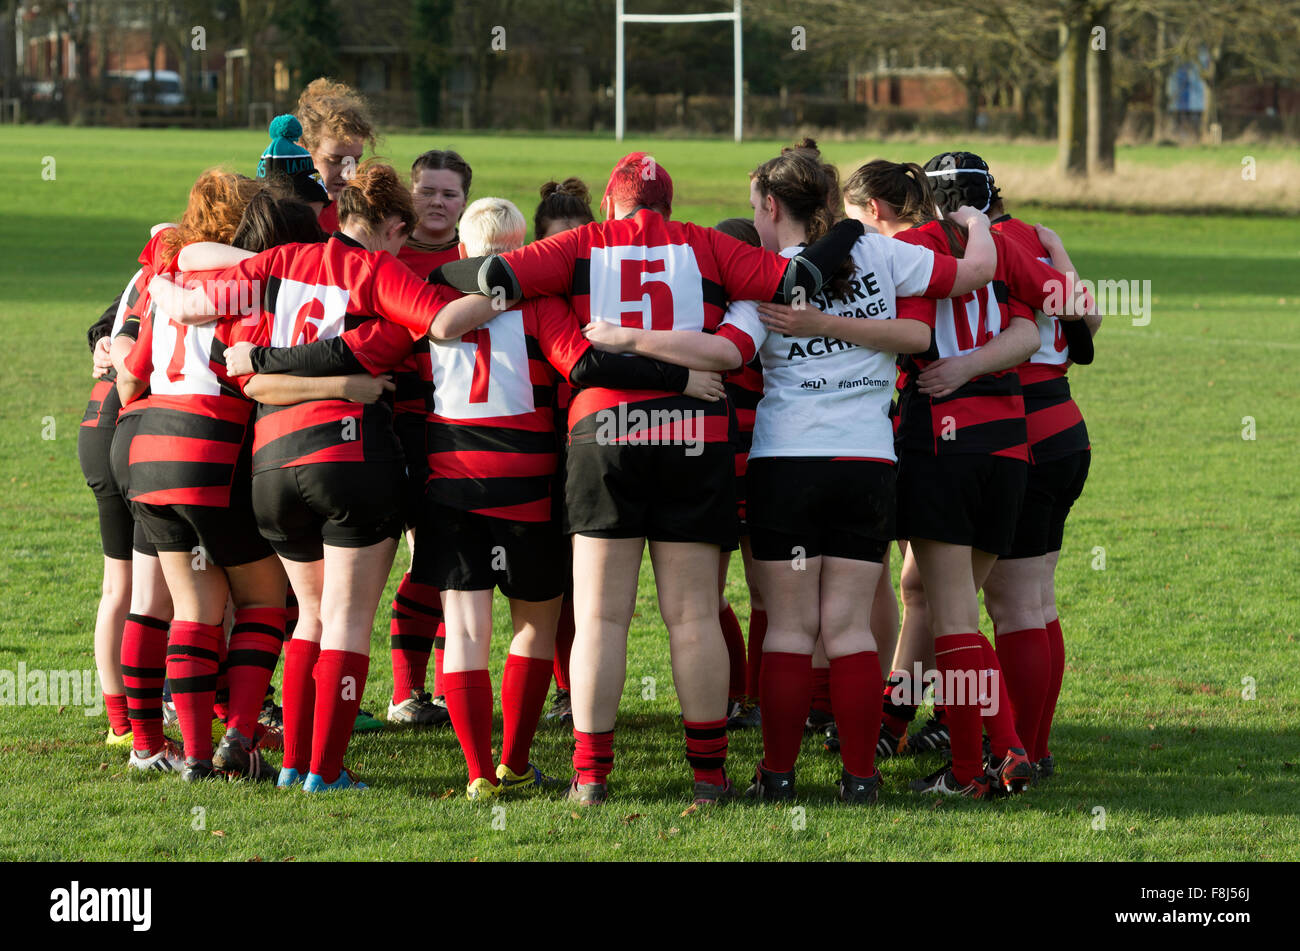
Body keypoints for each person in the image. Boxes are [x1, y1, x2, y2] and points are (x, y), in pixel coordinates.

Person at [391, 152, 869, 806]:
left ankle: (590, 776)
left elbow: (483, 273)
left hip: (605, 431)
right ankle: (707, 776)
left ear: (611, 204)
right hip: (695, 430)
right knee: (695, 613)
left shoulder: (580, 243)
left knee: (600, 617)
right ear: (666, 206)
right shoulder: (705, 243)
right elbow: (797, 282)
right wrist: (847, 225)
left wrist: (509, 282)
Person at [582, 146, 996, 802]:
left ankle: (777, 775)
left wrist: (626, 337)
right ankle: (860, 776)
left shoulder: (763, 275)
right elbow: (973, 276)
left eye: (756, 208)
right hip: (867, 461)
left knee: (793, 627)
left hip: (786, 464)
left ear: (772, 207)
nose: (755, 219)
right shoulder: (885, 256)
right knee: (852, 627)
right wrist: (974, 219)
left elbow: (725, 351)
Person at [149, 162, 459, 792]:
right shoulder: (379, 270)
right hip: (350, 460)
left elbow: (230, 346)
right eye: (401, 237)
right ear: (393, 226)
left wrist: (161, 274)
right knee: (345, 621)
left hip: (270, 464)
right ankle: (324, 769)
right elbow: (440, 322)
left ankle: (293, 762)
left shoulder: (281, 260)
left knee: (310, 617)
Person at [835, 159, 1083, 797]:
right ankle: (974, 743)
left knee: (954, 621)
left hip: (945, 444)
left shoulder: (911, 253)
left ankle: (986, 763)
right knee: (955, 609)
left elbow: (889, 328)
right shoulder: (995, 245)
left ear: (885, 211)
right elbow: (1048, 320)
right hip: (1010, 446)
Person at [116, 175, 312, 782]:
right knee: (263, 601)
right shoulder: (249, 282)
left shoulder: (165, 281)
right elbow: (251, 374)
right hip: (212, 450)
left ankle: (193, 756)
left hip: (148, 451)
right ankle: (237, 737)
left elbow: (130, 378)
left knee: (195, 608)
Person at [925, 151, 1100, 779]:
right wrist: (1066, 262)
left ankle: (1017, 749)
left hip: (1012, 429)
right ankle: (1032, 744)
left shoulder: (978, 247)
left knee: (1014, 607)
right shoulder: (1036, 236)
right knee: (1038, 602)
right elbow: (1089, 320)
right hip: (1065, 429)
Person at [383, 149, 475, 728]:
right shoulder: (390, 254)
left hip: (454, 430)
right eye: (427, 192)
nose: (438, 203)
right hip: (387, 422)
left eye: (450, 195)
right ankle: (404, 692)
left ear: (466, 202)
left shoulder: (478, 260)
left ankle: (432, 692)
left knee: (440, 560)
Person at [531, 177, 597, 723]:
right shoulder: (539, 292)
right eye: (559, 242)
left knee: (591, 575)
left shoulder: (613, 285)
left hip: (598, 440)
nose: (571, 251)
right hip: (543, 441)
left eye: (581, 238)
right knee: (557, 576)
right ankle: (565, 687)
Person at [295, 79, 376, 233]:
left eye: (355, 161)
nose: (348, 173)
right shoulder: (282, 212)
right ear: (304, 153)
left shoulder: (363, 210)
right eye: (334, 161)